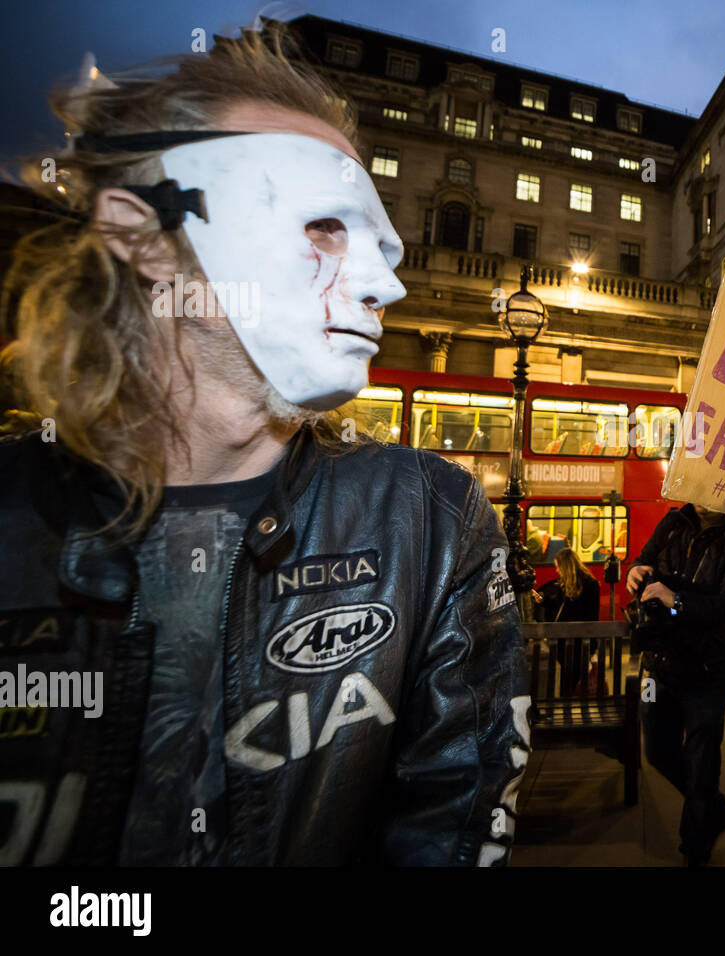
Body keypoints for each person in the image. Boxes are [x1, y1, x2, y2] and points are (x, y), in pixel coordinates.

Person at [0, 26, 528, 866]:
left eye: (383, 245)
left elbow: (451, 816)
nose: (387, 282)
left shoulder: (430, 520)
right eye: (323, 225)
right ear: (143, 235)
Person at [625, 493, 725, 865]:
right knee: (658, 751)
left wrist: (677, 601)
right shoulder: (675, 521)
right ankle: (714, 809)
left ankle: (695, 845)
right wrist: (638, 570)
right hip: (663, 659)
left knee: (701, 760)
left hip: (709, 669)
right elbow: (646, 559)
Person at [537, 548, 602, 694]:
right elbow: (592, 617)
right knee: (574, 679)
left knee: (568, 680)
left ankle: (568, 703)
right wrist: (542, 600)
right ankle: (572, 703)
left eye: (558, 567)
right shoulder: (591, 584)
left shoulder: (565, 585)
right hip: (579, 641)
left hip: (567, 641)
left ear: (565, 566)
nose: (557, 571)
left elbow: (560, 610)